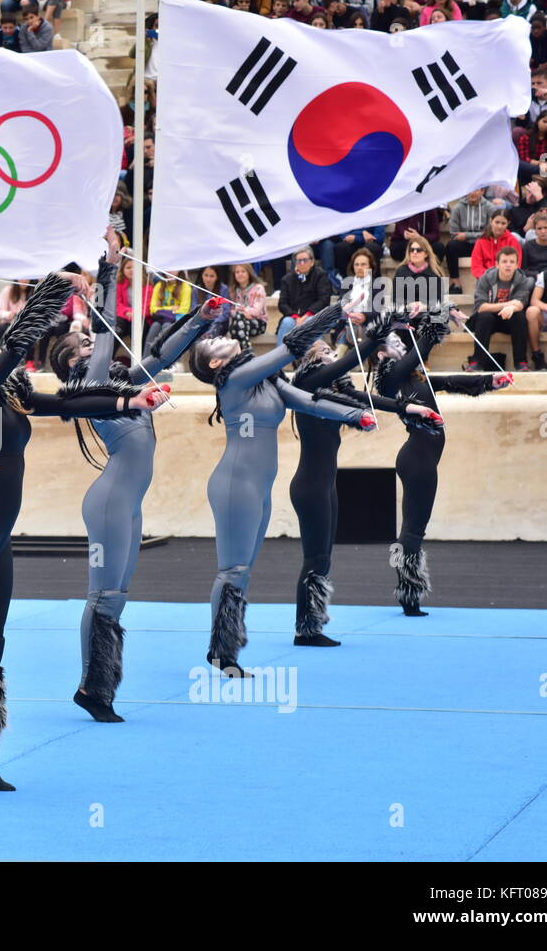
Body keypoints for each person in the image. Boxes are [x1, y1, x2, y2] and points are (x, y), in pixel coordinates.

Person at [0, 272, 166, 793]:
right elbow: (15, 344)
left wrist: (131, 402)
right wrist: (56, 288)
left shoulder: (4, 391)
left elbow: (64, 405)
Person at [48, 232, 215, 722]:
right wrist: (107, 273)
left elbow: (162, 357)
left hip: (127, 502)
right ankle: (91, 686)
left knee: (117, 596)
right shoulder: (90, 385)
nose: (96, 345)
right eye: (84, 344)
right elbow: (103, 335)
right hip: (109, 503)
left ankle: (102, 681)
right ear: (75, 362)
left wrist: (197, 320)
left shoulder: (120, 386)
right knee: (102, 593)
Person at [188, 303, 374, 676]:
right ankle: (222, 653)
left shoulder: (266, 381)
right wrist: (334, 313)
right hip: (234, 485)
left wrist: (356, 416)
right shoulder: (234, 379)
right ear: (214, 364)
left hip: (257, 486)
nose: (222, 337)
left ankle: (223, 648)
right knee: (233, 569)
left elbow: (310, 401)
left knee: (243, 569)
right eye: (214, 341)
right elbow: (290, 348)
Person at [288, 313, 443, 647]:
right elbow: (348, 363)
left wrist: (410, 409)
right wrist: (380, 329)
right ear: (311, 359)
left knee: (323, 556)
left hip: (325, 484)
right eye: (325, 352)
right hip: (310, 486)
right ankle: (305, 629)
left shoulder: (329, 389)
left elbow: (369, 401)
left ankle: (311, 623)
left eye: (331, 351)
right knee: (315, 557)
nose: (331, 355)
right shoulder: (307, 385)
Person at [377, 314, 513, 616]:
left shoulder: (415, 377)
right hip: (417, 458)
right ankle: (408, 594)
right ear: (384, 353)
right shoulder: (393, 377)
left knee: (412, 527)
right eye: (396, 343)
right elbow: (420, 346)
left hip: (420, 457)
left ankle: (407, 589)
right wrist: (438, 318)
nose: (403, 346)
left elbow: (451, 381)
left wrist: (490, 381)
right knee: (414, 529)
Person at [470, 246, 534, 372]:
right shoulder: (486, 278)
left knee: (519, 316)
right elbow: (481, 307)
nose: (508, 265)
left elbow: (521, 303)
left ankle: (521, 362)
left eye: (512, 262)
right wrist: (508, 305)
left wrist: (512, 307)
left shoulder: (522, 279)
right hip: (489, 320)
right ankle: (477, 361)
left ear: (517, 265)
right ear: (497, 264)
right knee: (485, 316)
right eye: (504, 261)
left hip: (509, 320)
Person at [277, 247, 332, 340]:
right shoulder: (287, 279)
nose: (302, 263)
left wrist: (307, 315)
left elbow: (324, 299)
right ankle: (281, 354)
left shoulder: (321, 276)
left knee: (310, 322)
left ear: (312, 262)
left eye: (305, 260)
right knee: (287, 322)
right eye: (299, 261)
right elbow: (282, 303)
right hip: (293, 317)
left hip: (314, 315)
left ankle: (315, 354)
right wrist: (295, 316)